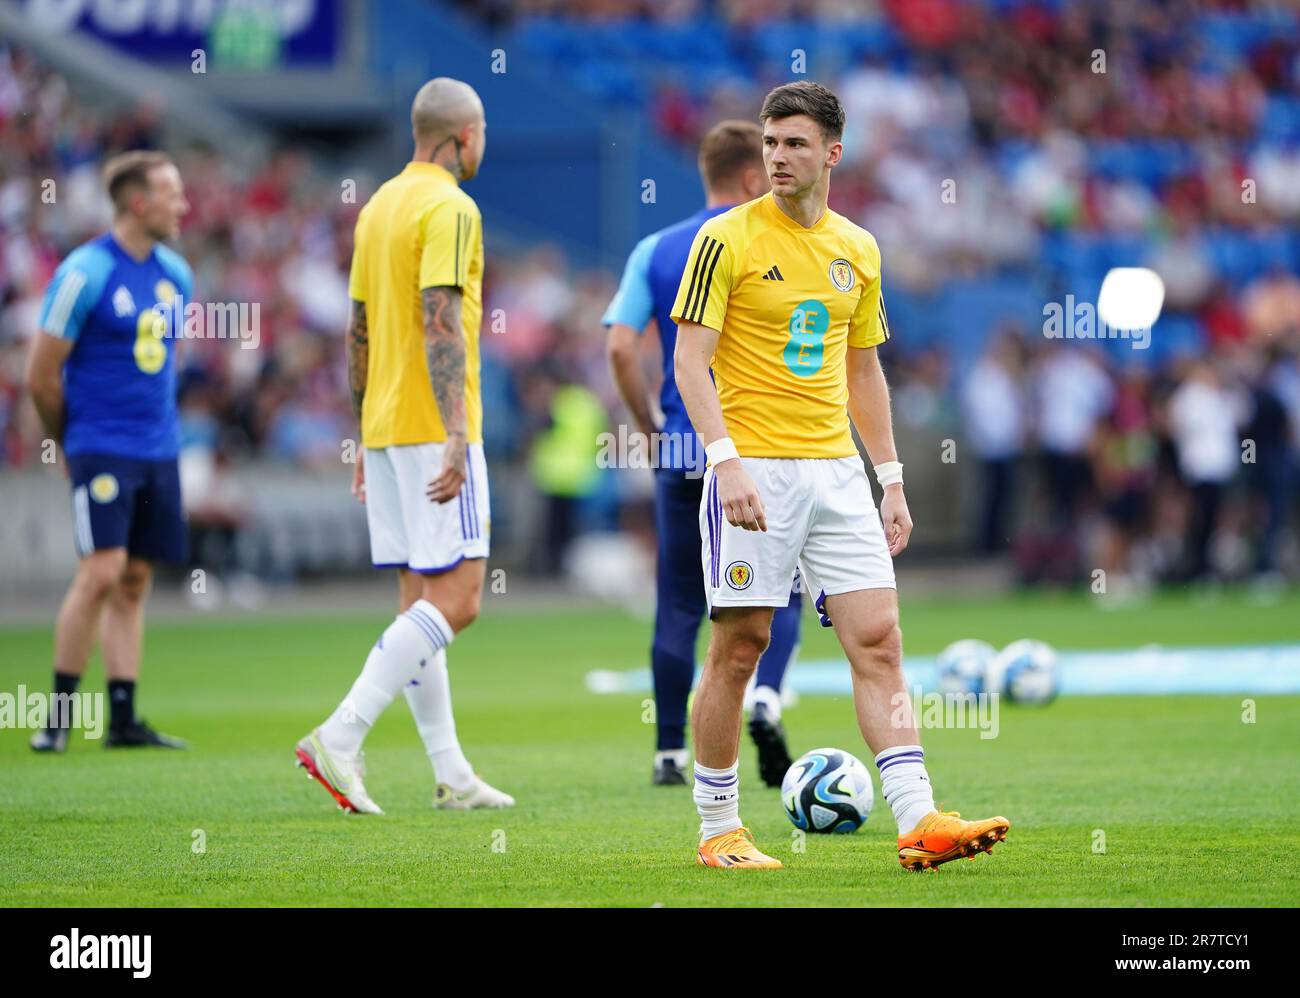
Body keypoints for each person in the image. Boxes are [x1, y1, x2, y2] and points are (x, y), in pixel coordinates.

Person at [671, 81, 1009, 870]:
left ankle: (919, 820)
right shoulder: (726, 239)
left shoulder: (859, 247)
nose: (778, 157)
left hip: (837, 475)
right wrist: (725, 466)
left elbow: (865, 372)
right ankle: (718, 828)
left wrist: (889, 477)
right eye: (769, 142)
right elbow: (689, 361)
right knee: (740, 647)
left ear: (833, 153)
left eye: (794, 143)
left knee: (880, 641)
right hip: (754, 470)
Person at [295, 78, 512, 813]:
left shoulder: (380, 205)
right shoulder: (451, 206)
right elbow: (440, 315)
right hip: (432, 424)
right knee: (460, 600)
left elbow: (357, 329)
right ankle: (342, 733)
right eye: (481, 131)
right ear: (463, 135)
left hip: (386, 426)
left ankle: (451, 773)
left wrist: (361, 435)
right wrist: (456, 430)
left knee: (418, 599)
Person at [604, 120, 804, 788]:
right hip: (760, 446)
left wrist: (650, 423)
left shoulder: (654, 249)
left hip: (683, 447)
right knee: (783, 590)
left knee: (681, 601)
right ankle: (768, 700)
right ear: (754, 177)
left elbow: (619, 347)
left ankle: (668, 751)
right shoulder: (770, 245)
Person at [26, 151, 193, 753]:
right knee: (100, 570)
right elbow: (42, 375)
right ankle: (58, 716)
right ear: (138, 202)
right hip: (99, 444)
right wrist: (66, 440)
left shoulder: (177, 273)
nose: (184, 205)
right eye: (173, 194)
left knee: (136, 577)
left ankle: (122, 719)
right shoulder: (85, 272)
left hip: (159, 447)